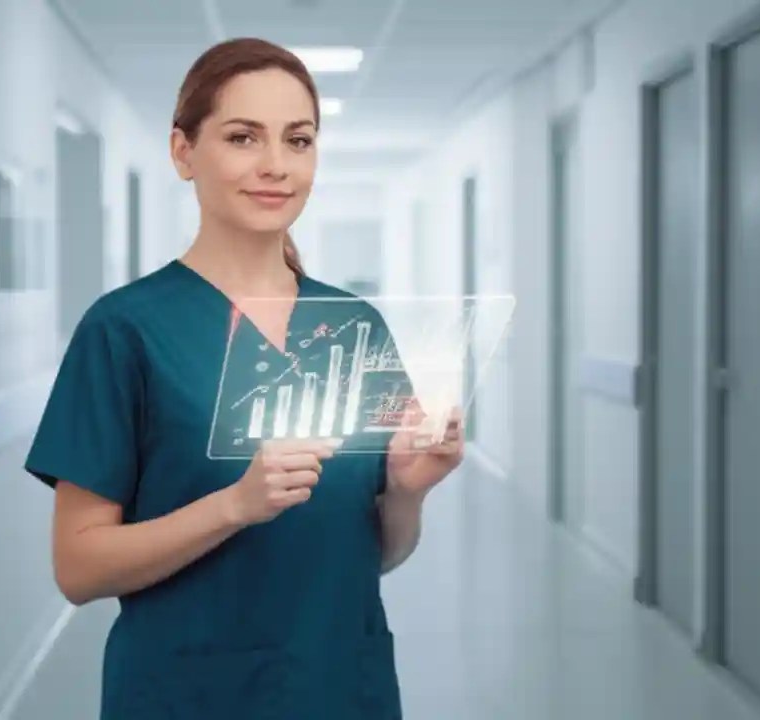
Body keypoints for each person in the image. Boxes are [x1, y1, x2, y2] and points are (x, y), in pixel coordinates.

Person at [24, 37, 464, 719]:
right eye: (242, 137)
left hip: (342, 686)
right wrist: (236, 505)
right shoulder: (124, 330)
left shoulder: (355, 326)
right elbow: (78, 570)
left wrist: (407, 494)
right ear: (183, 152)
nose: (275, 166)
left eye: (298, 140)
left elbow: (370, 556)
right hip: (185, 695)